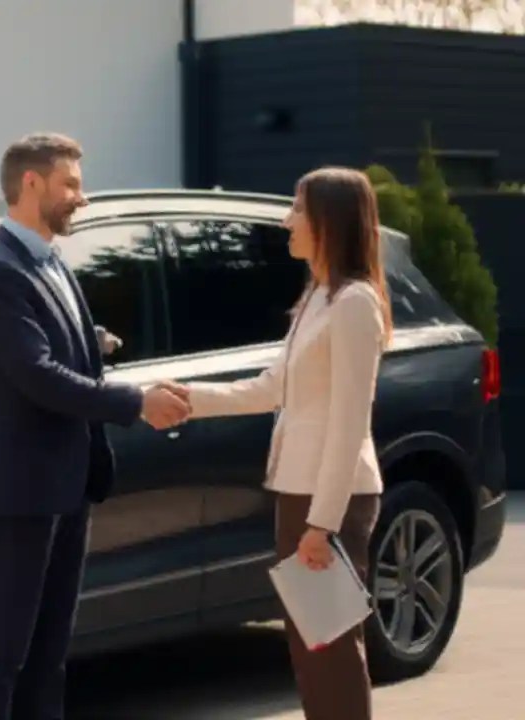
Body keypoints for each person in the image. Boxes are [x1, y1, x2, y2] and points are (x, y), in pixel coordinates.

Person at [0, 132, 190, 720]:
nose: (81, 198)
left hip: (68, 485)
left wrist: (92, 342)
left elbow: (52, 348)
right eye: (71, 185)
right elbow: (36, 375)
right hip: (22, 492)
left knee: (50, 655)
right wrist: (135, 403)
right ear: (31, 183)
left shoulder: (49, 259)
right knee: (5, 651)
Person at [167, 166, 392, 720]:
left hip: (329, 501)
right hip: (298, 492)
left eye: (297, 209)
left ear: (328, 221)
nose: (288, 220)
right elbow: (272, 388)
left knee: (332, 651)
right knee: (312, 652)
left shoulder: (354, 303)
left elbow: (349, 421)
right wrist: (188, 398)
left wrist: (322, 524)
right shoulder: (318, 297)